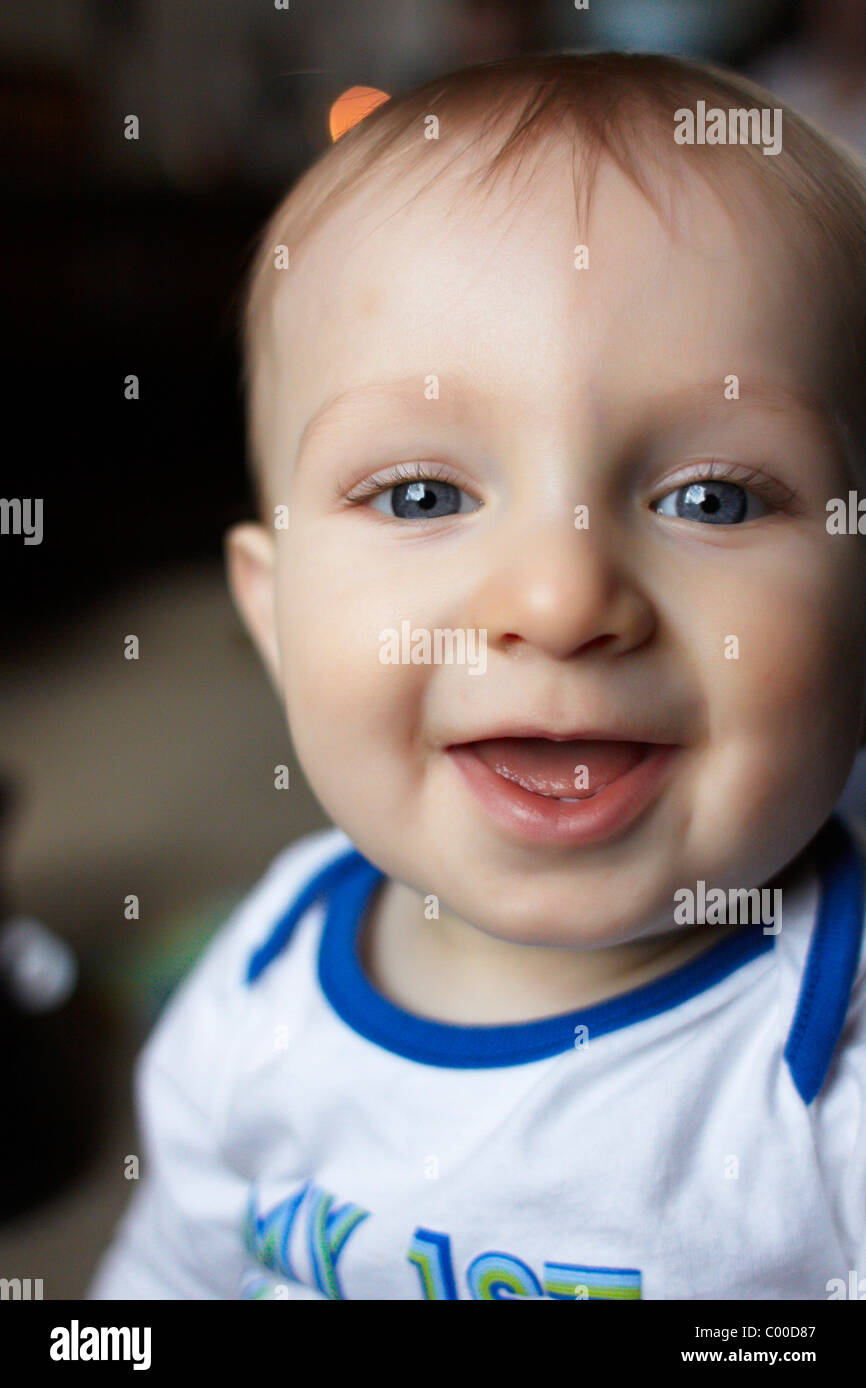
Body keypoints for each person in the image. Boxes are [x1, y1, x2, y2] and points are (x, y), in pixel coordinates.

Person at [88, 51, 866, 1300]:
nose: (557, 603)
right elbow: (169, 1273)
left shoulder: (829, 1076)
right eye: (420, 493)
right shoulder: (256, 987)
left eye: (711, 496)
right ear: (271, 609)